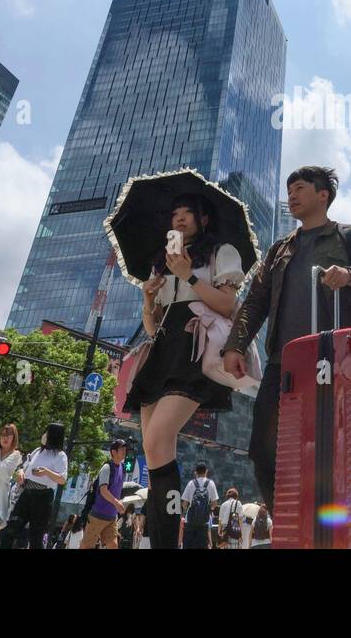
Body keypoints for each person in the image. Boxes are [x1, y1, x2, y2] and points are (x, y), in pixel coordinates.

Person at [221, 166, 351, 513]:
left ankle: (334, 526)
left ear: (323, 194)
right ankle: (290, 521)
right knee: (262, 450)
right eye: (289, 190)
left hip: (336, 358)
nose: (292, 196)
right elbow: (254, 302)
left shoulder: (350, 236)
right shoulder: (280, 249)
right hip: (284, 363)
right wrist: (235, 345)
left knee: (333, 447)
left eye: (299, 188)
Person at [125, 195, 248, 549]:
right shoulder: (161, 264)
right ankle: (161, 540)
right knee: (154, 452)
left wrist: (188, 274)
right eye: (174, 214)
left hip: (195, 347)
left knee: (156, 439)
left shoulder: (220, 252)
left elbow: (228, 304)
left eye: (186, 215)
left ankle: (163, 543)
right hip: (164, 349)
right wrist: (149, 301)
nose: (178, 221)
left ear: (203, 219)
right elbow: (152, 328)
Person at [4, 423, 68, 549]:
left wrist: (46, 472)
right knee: (12, 527)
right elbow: (24, 467)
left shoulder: (60, 455)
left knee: (36, 535)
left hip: (43, 496)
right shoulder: (38, 451)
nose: (44, 435)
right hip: (27, 492)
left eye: (47, 433)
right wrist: (21, 472)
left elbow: (62, 479)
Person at [82, 438, 129, 549]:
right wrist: (117, 503)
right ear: (113, 452)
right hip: (97, 515)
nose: (124, 452)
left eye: (125, 449)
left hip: (111, 517)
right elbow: (103, 490)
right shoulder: (107, 467)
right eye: (122, 449)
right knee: (86, 546)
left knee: (113, 545)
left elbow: (117, 489)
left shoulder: (123, 468)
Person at [180, 462, 216, 550]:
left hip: (190, 522)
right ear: (206, 471)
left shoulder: (191, 483)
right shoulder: (211, 483)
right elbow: (214, 504)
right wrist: (206, 509)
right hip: (204, 523)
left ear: (196, 472)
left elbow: (184, 504)